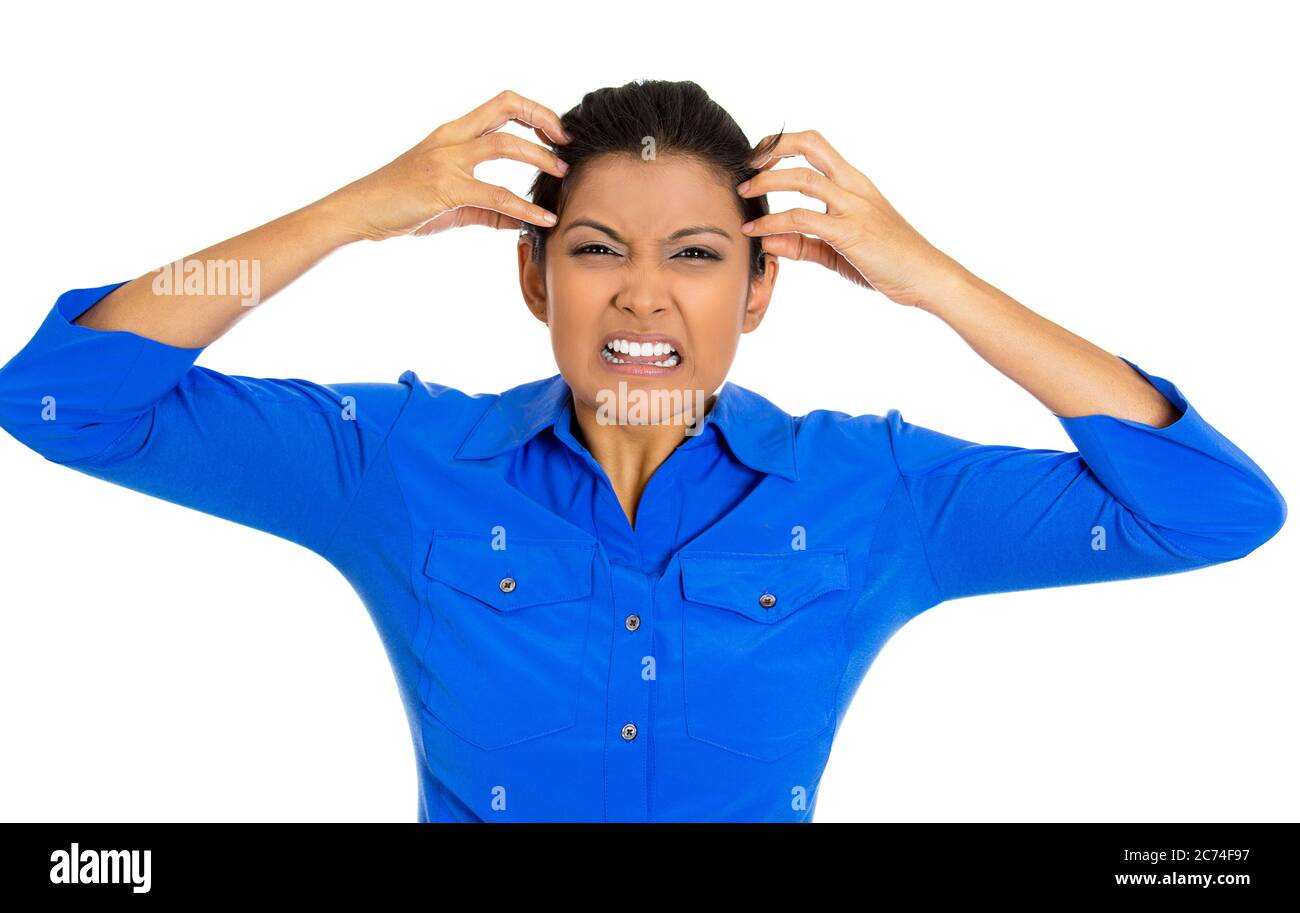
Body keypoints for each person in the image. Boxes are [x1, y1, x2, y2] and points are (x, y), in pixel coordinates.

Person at [0, 80, 1285, 822]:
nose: (643, 299)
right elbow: (61, 397)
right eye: (598, 249)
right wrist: (349, 214)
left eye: (697, 256)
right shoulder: (397, 460)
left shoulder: (873, 495)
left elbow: (1216, 511)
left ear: (761, 290)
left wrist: (933, 279)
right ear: (534, 275)